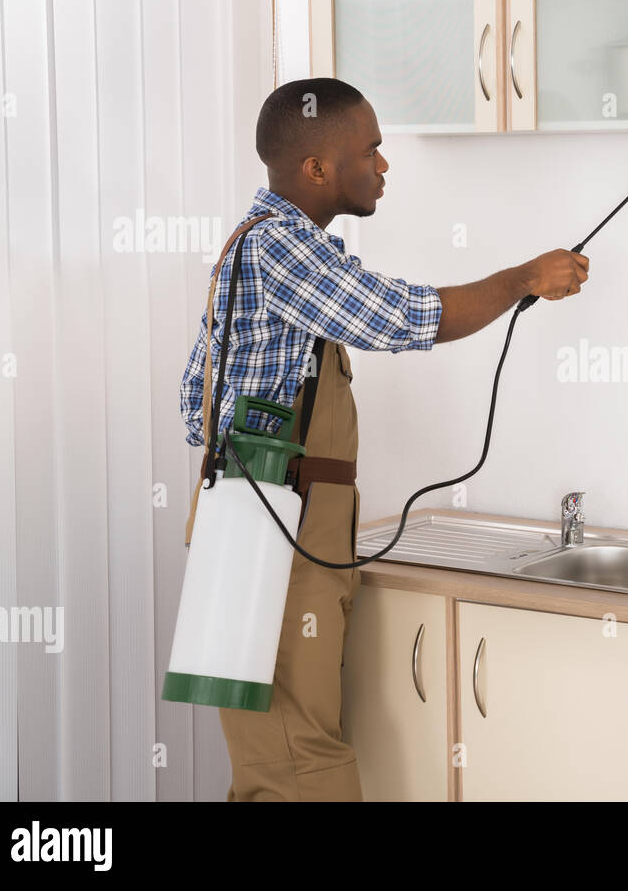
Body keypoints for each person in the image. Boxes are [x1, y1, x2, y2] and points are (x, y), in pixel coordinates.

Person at [179, 77, 589, 800]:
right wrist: (523, 277)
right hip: (272, 536)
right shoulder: (280, 249)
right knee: (298, 763)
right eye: (370, 149)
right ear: (316, 168)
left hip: (285, 528)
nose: (383, 164)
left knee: (289, 753)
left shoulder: (282, 250)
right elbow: (396, 317)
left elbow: (194, 405)